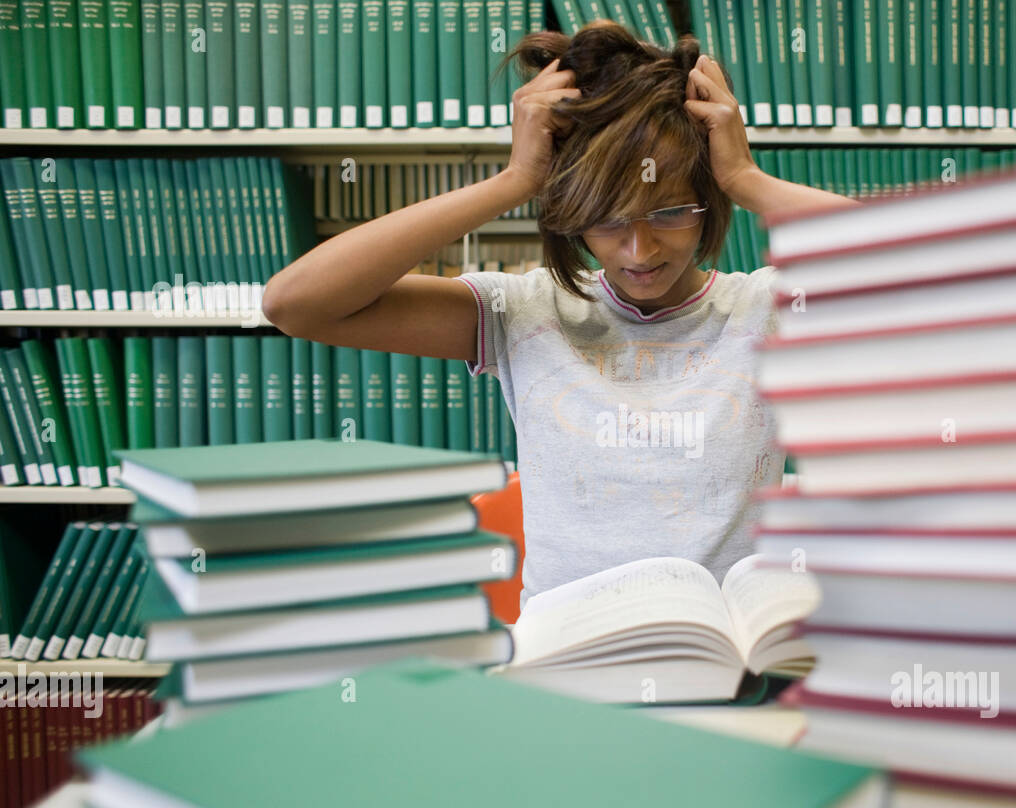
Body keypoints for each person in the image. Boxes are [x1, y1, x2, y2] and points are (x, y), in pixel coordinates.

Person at [262, 22, 859, 616]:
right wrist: (514, 180)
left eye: (671, 211)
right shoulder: (525, 312)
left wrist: (745, 178)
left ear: (709, 204)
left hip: (732, 668)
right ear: (569, 214)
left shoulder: (769, 310)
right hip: (569, 666)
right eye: (607, 219)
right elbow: (294, 304)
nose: (640, 251)